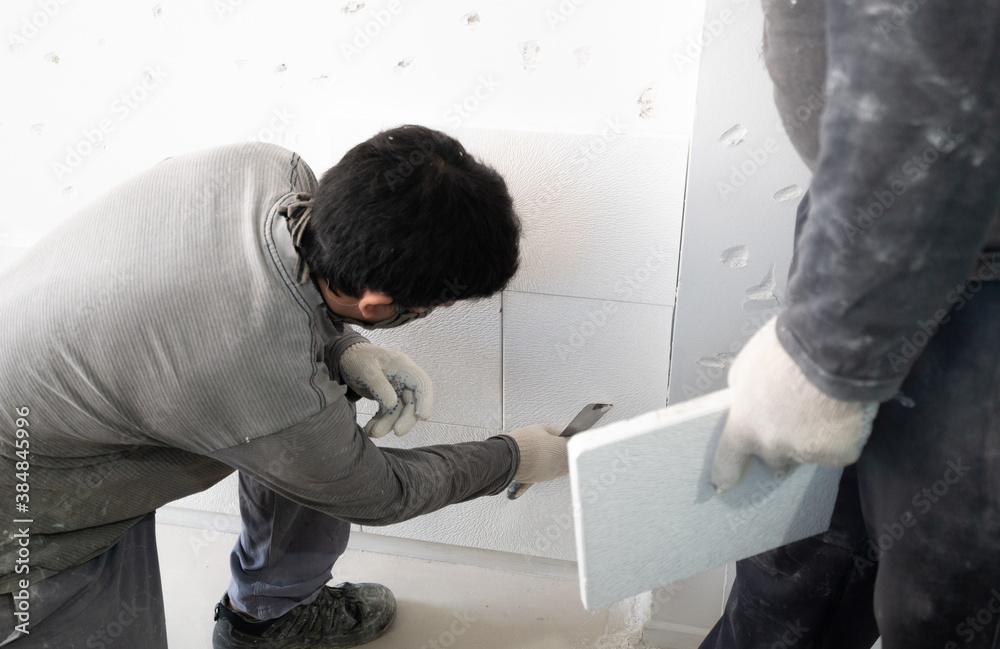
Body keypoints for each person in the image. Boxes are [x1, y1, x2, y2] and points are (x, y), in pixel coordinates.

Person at [0, 125, 569, 649]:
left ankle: (269, 617)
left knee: (315, 406)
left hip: (61, 402)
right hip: (29, 517)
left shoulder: (266, 168)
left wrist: (343, 347)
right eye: (428, 308)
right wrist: (511, 459)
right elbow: (379, 493)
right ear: (377, 304)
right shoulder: (258, 372)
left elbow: (259, 299)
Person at [702, 1, 1000, 648]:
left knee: (939, 613)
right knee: (790, 573)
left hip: (976, 278)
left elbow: (940, 49)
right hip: (860, 229)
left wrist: (829, 351)